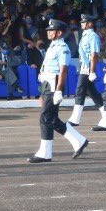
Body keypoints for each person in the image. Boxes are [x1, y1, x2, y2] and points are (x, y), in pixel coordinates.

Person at [29, 19, 89, 163]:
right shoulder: (52, 46)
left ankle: (45, 152)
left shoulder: (63, 47)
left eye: (51, 30)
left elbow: (63, 71)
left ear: (59, 32)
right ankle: (78, 140)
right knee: (52, 119)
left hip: (54, 85)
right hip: (46, 84)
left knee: (45, 118)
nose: (48, 32)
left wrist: (58, 90)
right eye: (48, 30)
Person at [69, 14, 103, 127]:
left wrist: (92, 71)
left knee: (80, 91)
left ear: (89, 24)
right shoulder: (85, 35)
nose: (81, 24)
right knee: (91, 91)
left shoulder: (92, 36)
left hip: (88, 67)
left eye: (84, 22)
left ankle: (75, 118)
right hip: (84, 65)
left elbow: (94, 55)